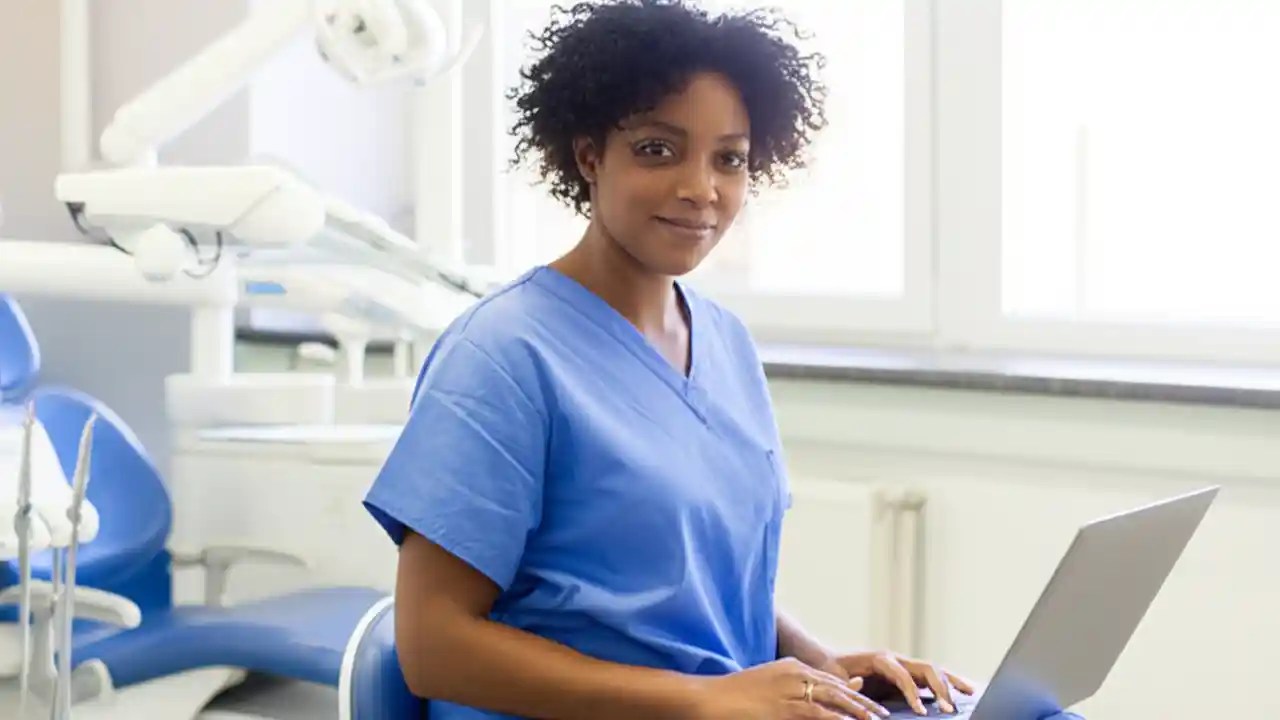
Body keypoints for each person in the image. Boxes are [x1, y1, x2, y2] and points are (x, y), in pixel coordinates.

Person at [364, 2, 975, 718]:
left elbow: (690, 588)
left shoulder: (725, 342)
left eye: (730, 159)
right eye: (659, 149)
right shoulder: (502, 356)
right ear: (589, 154)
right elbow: (434, 646)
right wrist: (702, 701)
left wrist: (820, 665)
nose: (701, 189)